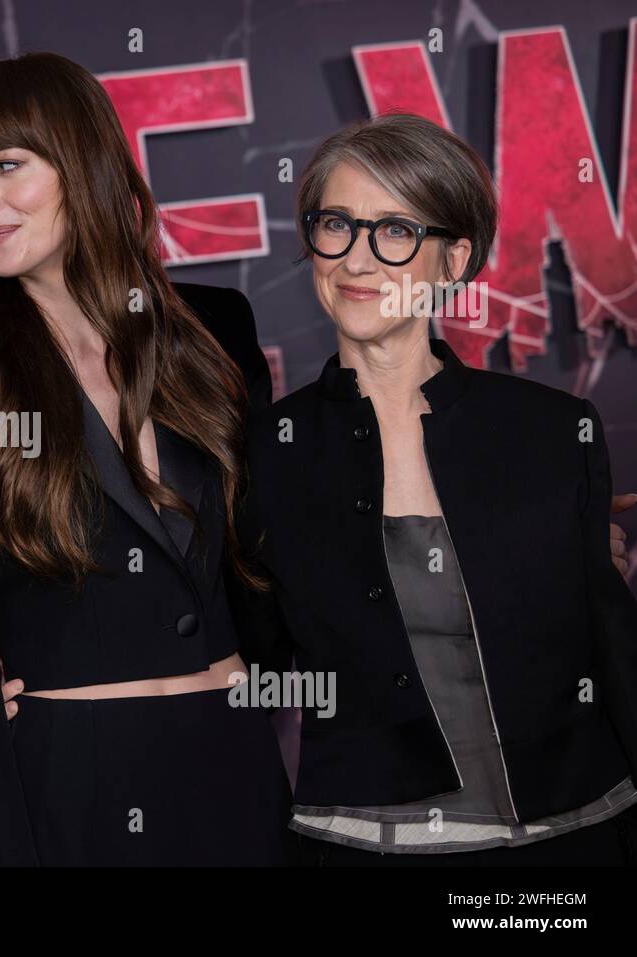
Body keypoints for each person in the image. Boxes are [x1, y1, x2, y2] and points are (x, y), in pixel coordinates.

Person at [0, 53, 293, 866]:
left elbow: (270, 553)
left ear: (83, 162)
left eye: (5, 164)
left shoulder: (214, 330)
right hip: (73, 780)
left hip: (235, 762)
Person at [235, 112, 637, 865]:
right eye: (337, 225)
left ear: (453, 260)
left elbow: (616, 656)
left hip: (572, 849)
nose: (358, 258)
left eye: (394, 230)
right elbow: (237, 665)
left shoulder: (555, 432)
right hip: (357, 843)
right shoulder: (261, 456)